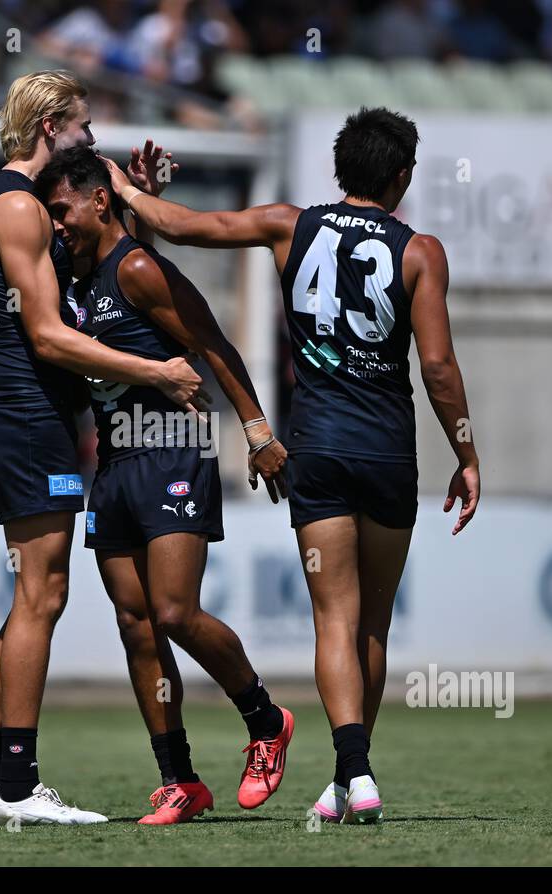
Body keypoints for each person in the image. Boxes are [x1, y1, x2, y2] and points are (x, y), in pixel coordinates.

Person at [102, 108, 481, 823]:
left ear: (342, 169)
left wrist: (129, 192)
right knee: (372, 621)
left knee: (332, 618)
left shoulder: (288, 223)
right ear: (401, 176)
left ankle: (351, 777)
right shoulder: (421, 251)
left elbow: (185, 227)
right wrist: (465, 452)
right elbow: (436, 367)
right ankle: (351, 777)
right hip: (388, 450)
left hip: (318, 447)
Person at [0, 70, 203, 827]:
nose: (92, 140)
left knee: (28, 597)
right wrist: (157, 370)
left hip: (15, 410)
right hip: (29, 416)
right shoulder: (22, 205)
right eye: (84, 126)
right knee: (43, 596)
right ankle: (19, 790)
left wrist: (134, 207)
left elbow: (10, 322)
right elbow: (51, 335)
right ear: (51, 123)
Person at [35, 145, 294, 825]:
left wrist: (258, 431)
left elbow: (212, 345)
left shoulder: (141, 268)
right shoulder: (76, 276)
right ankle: (180, 780)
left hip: (174, 453)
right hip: (114, 464)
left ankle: (266, 722)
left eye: (61, 210)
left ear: (98, 200)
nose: (54, 224)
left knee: (175, 612)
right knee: (137, 625)